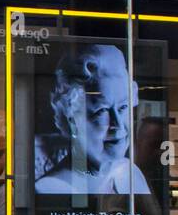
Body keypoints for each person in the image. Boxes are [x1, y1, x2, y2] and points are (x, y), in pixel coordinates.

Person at [35, 44, 151, 196]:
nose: (117, 124)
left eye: (123, 107)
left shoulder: (130, 173)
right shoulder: (51, 188)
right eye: (101, 111)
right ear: (72, 120)